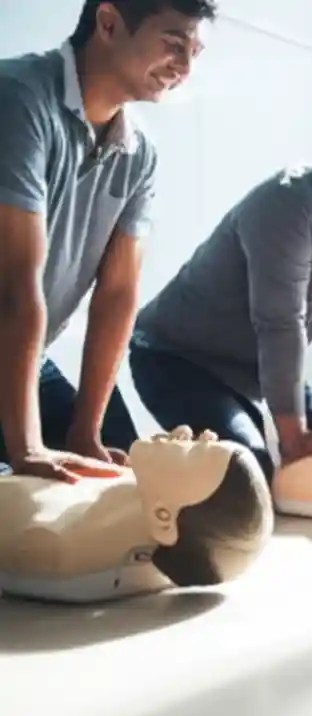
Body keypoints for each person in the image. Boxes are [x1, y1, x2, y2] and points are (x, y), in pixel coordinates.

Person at [128, 109, 312, 481]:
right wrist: (292, 438)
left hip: (253, 368)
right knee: (253, 471)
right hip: (177, 359)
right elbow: (281, 322)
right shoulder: (287, 203)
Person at [0, 0, 215, 481]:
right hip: (8, 329)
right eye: (174, 45)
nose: (185, 67)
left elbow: (117, 294)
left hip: (24, 356)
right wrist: (28, 446)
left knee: (119, 472)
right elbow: (15, 283)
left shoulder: (141, 154)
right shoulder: (17, 97)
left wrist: (85, 433)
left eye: (196, 52)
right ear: (109, 23)